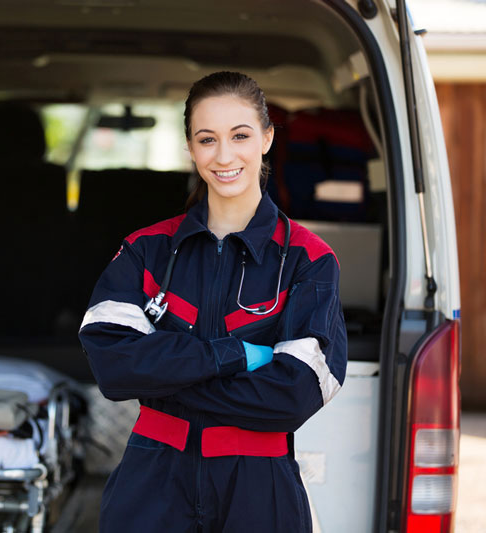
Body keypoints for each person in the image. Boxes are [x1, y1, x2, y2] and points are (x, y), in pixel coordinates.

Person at [78, 71, 347, 532]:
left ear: (266, 138)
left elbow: (295, 393)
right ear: (189, 146)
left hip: (259, 487)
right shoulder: (145, 250)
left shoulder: (309, 260)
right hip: (151, 479)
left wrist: (165, 376)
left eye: (240, 135)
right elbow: (113, 366)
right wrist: (237, 355)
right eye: (207, 139)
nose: (224, 156)